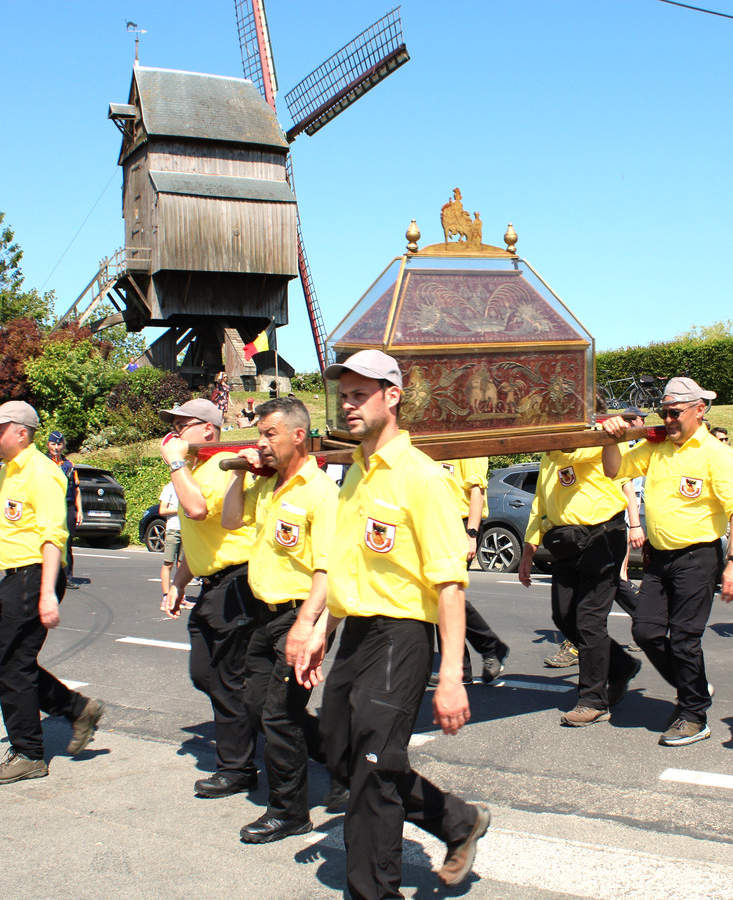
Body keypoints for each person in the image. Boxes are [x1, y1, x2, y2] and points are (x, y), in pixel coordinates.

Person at [290, 349, 490, 897]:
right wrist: (317, 631)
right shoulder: (354, 473)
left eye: (361, 395)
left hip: (402, 635)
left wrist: (451, 676)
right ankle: (455, 820)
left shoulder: (424, 479)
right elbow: (341, 563)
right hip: (356, 633)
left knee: (375, 768)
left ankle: (374, 890)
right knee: (341, 751)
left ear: (392, 396)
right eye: (345, 395)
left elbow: (450, 586)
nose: (348, 405)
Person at [601, 376, 733, 746]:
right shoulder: (656, 448)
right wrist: (611, 438)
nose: (667, 420)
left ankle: (694, 715)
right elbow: (613, 470)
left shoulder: (719, 454)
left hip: (698, 558)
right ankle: (694, 687)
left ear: (700, 410)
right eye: (664, 413)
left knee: (684, 640)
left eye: (674, 413)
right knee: (645, 632)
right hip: (660, 558)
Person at [0, 401, 104, 784]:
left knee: (12, 664)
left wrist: (46, 593)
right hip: (15, 575)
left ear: (22, 432)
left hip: (34, 576)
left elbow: (52, 536)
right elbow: (7, 528)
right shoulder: (10, 469)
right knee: (11, 662)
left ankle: (29, 752)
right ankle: (78, 709)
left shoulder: (43, 473)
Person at [221, 397, 339, 844]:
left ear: (298, 436)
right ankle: (341, 762)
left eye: (269, 434)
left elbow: (328, 569)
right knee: (256, 706)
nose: (261, 443)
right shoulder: (271, 485)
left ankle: (289, 812)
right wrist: (238, 472)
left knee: (278, 716)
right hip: (263, 616)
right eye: (259, 434)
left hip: (298, 615)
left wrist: (307, 628)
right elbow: (232, 520)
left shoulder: (320, 492)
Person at [159, 398, 260, 799]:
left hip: (238, 580)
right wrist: (179, 581)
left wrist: (174, 463)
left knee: (225, 676)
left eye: (181, 426)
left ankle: (237, 768)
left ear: (206, 429)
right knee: (207, 674)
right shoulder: (195, 469)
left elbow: (198, 510)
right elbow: (200, 541)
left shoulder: (224, 465)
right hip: (211, 583)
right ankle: (287, 735)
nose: (173, 434)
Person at [519, 400, 642, 728]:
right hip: (566, 543)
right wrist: (528, 551)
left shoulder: (592, 441)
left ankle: (593, 699)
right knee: (563, 615)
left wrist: (611, 432)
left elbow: (606, 456)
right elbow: (539, 505)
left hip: (602, 537)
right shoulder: (549, 455)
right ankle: (620, 665)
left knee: (589, 620)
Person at [436, 455, 509, 683]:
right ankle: (461, 667)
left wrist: (471, 534)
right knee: (438, 597)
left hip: (460, 523)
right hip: (437, 524)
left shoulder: (468, 445)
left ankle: (490, 647)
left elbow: (477, 490)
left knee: (445, 593)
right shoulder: (436, 444)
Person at [46, 431, 83, 589]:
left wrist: (79, 510)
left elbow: (76, 489)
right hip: (48, 505)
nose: (56, 447)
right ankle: (47, 576)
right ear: (48, 445)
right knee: (48, 540)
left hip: (67, 506)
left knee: (67, 543)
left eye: (59, 444)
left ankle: (67, 577)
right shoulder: (43, 462)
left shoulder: (69, 465)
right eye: (53, 444)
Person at [158, 479, 182, 598]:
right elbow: (162, 510)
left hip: (187, 531)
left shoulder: (188, 487)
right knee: (169, 563)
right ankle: (166, 596)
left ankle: (181, 597)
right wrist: (179, 510)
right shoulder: (169, 488)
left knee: (182, 565)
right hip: (173, 529)